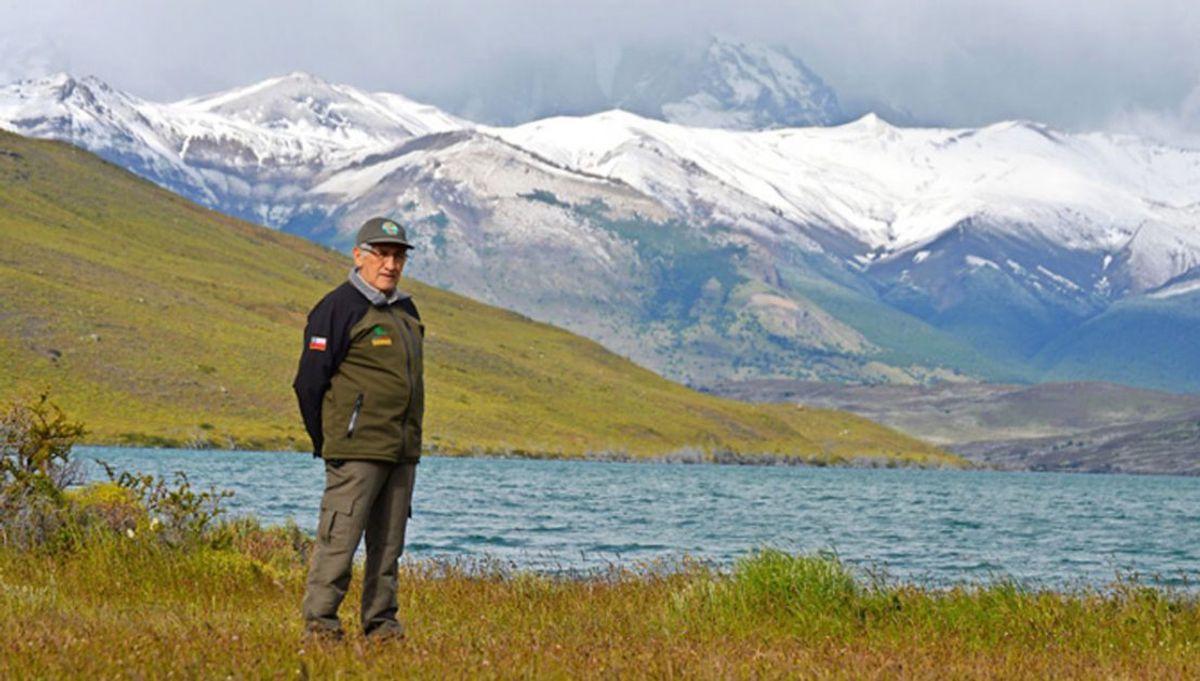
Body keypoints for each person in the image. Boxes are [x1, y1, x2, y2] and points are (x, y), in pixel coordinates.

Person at [292, 216, 425, 642]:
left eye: (398, 255)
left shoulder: (407, 310)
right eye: (381, 254)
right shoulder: (337, 307)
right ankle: (321, 626)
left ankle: (382, 628)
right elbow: (309, 382)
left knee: (388, 547)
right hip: (356, 451)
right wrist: (330, 441)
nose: (390, 264)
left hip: (401, 450)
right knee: (339, 540)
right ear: (359, 256)